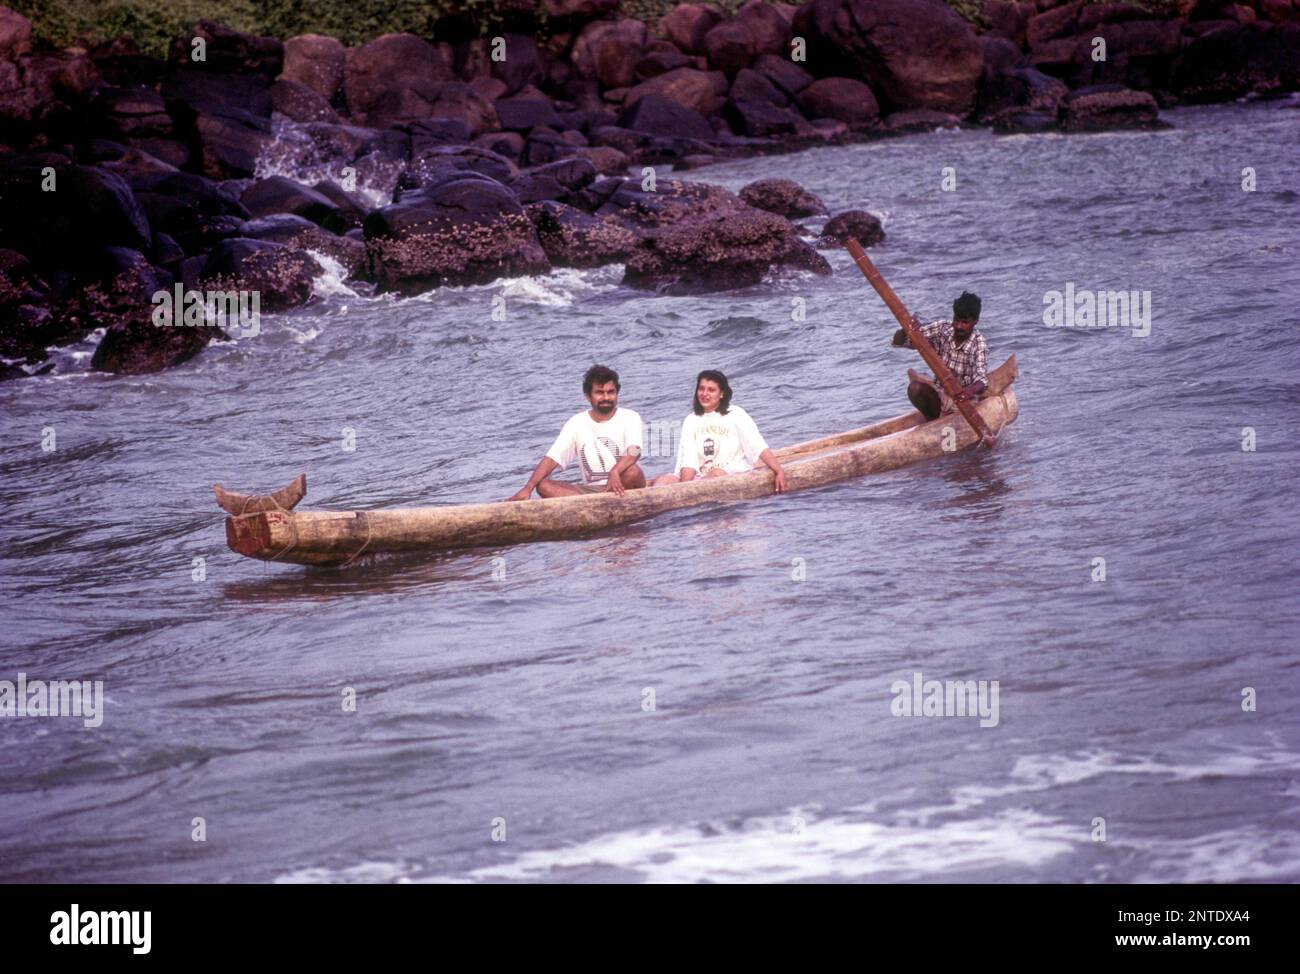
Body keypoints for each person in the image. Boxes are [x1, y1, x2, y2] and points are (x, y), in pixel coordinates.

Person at [508, 365, 646, 500]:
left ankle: (605, 504)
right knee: (543, 485)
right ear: (588, 396)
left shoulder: (630, 416)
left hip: (623, 485)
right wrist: (528, 488)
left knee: (632, 471)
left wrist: (615, 472)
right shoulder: (576, 422)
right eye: (599, 392)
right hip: (590, 493)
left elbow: (634, 450)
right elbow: (552, 458)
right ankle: (594, 505)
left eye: (611, 392)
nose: (606, 398)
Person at [651, 370, 787, 492]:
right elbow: (689, 460)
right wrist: (684, 488)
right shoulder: (691, 420)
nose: (704, 394)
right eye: (701, 389)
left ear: (721, 393)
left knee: (715, 474)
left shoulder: (736, 414)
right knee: (663, 481)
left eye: (711, 390)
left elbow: (757, 445)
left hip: (731, 470)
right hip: (701, 474)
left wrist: (779, 470)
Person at [891, 291, 988, 421]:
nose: (958, 326)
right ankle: (933, 420)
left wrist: (968, 392)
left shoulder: (979, 343)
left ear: (975, 321)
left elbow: (982, 380)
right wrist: (906, 330)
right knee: (915, 389)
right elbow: (899, 342)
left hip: (962, 402)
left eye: (965, 322)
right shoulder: (943, 328)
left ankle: (938, 421)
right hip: (941, 394)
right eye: (956, 320)